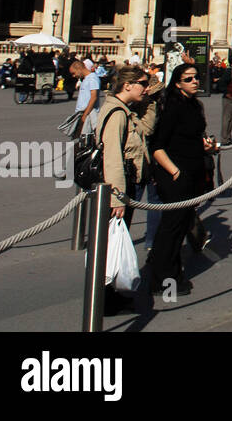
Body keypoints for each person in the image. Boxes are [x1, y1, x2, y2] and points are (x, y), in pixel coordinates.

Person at [146, 62, 219, 302]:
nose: (195, 81)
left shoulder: (194, 105)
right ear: (177, 83)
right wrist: (175, 172)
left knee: (179, 227)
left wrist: (205, 145)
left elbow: (189, 138)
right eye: (188, 79)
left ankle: (172, 274)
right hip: (176, 175)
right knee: (172, 227)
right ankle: (161, 280)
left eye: (197, 77)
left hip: (192, 172)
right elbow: (157, 145)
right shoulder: (173, 107)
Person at [96, 64, 151, 313]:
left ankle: (111, 293)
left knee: (114, 240)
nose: (146, 88)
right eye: (142, 83)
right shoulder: (117, 113)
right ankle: (105, 298)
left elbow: (146, 128)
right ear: (127, 85)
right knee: (110, 245)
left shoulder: (125, 109)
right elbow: (112, 156)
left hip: (125, 183)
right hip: (119, 187)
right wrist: (117, 195)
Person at [71, 58, 103, 138]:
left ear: (79, 69)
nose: (74, 76)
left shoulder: (92, 78)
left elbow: (93, 97)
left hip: (89, 113)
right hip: (83, 113)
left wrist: (85, 115)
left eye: (74, 73)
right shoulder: (85, 79)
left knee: (86, 139)